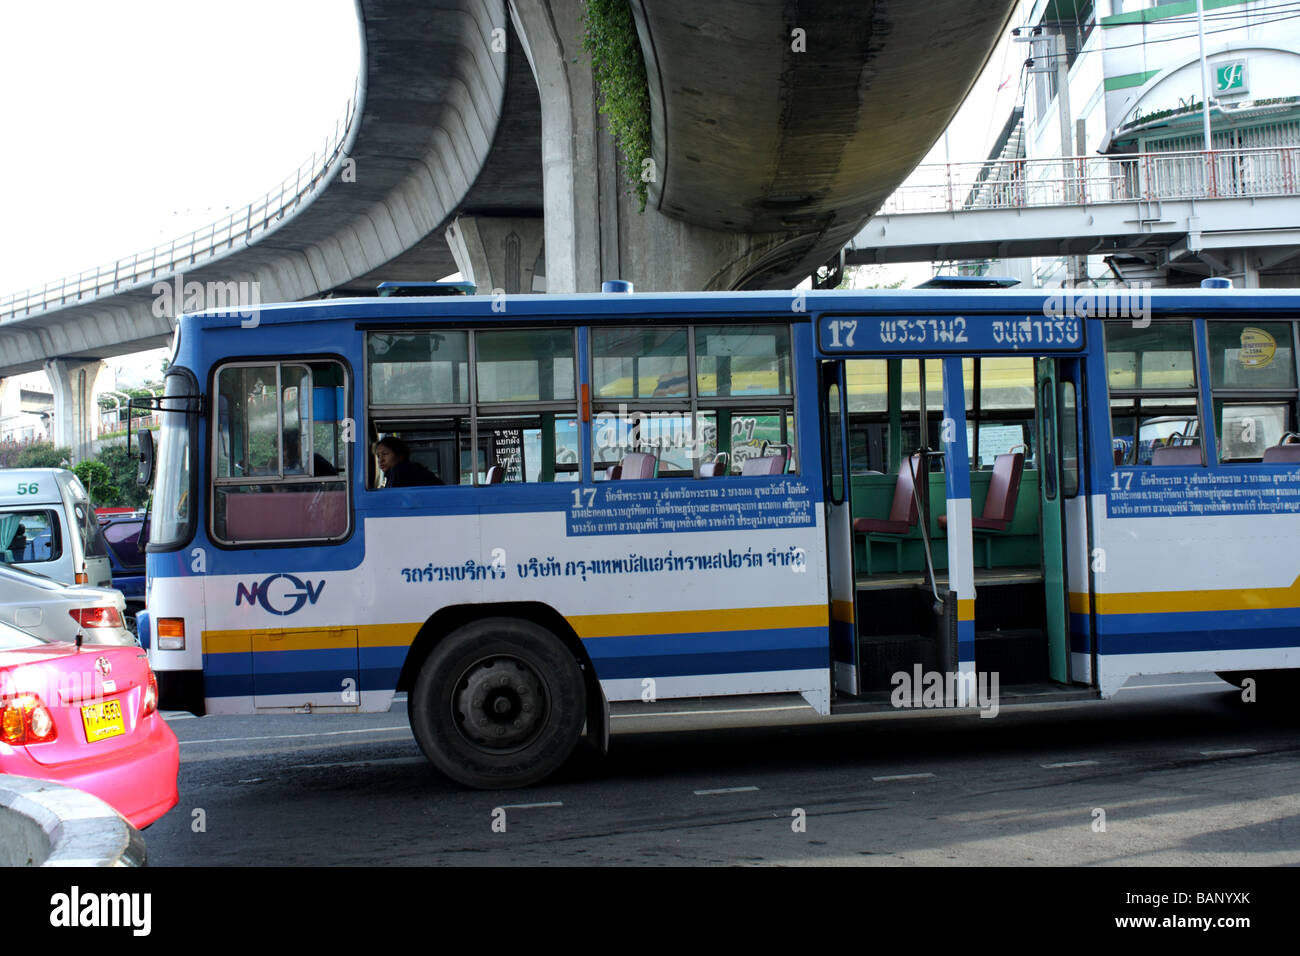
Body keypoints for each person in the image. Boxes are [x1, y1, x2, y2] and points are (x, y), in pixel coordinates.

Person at [373, 436, 443, 487]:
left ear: (400, 456)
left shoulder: (400, 471)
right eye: (378, 456)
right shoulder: (398, 471)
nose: (380, 460)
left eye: (385, 454)